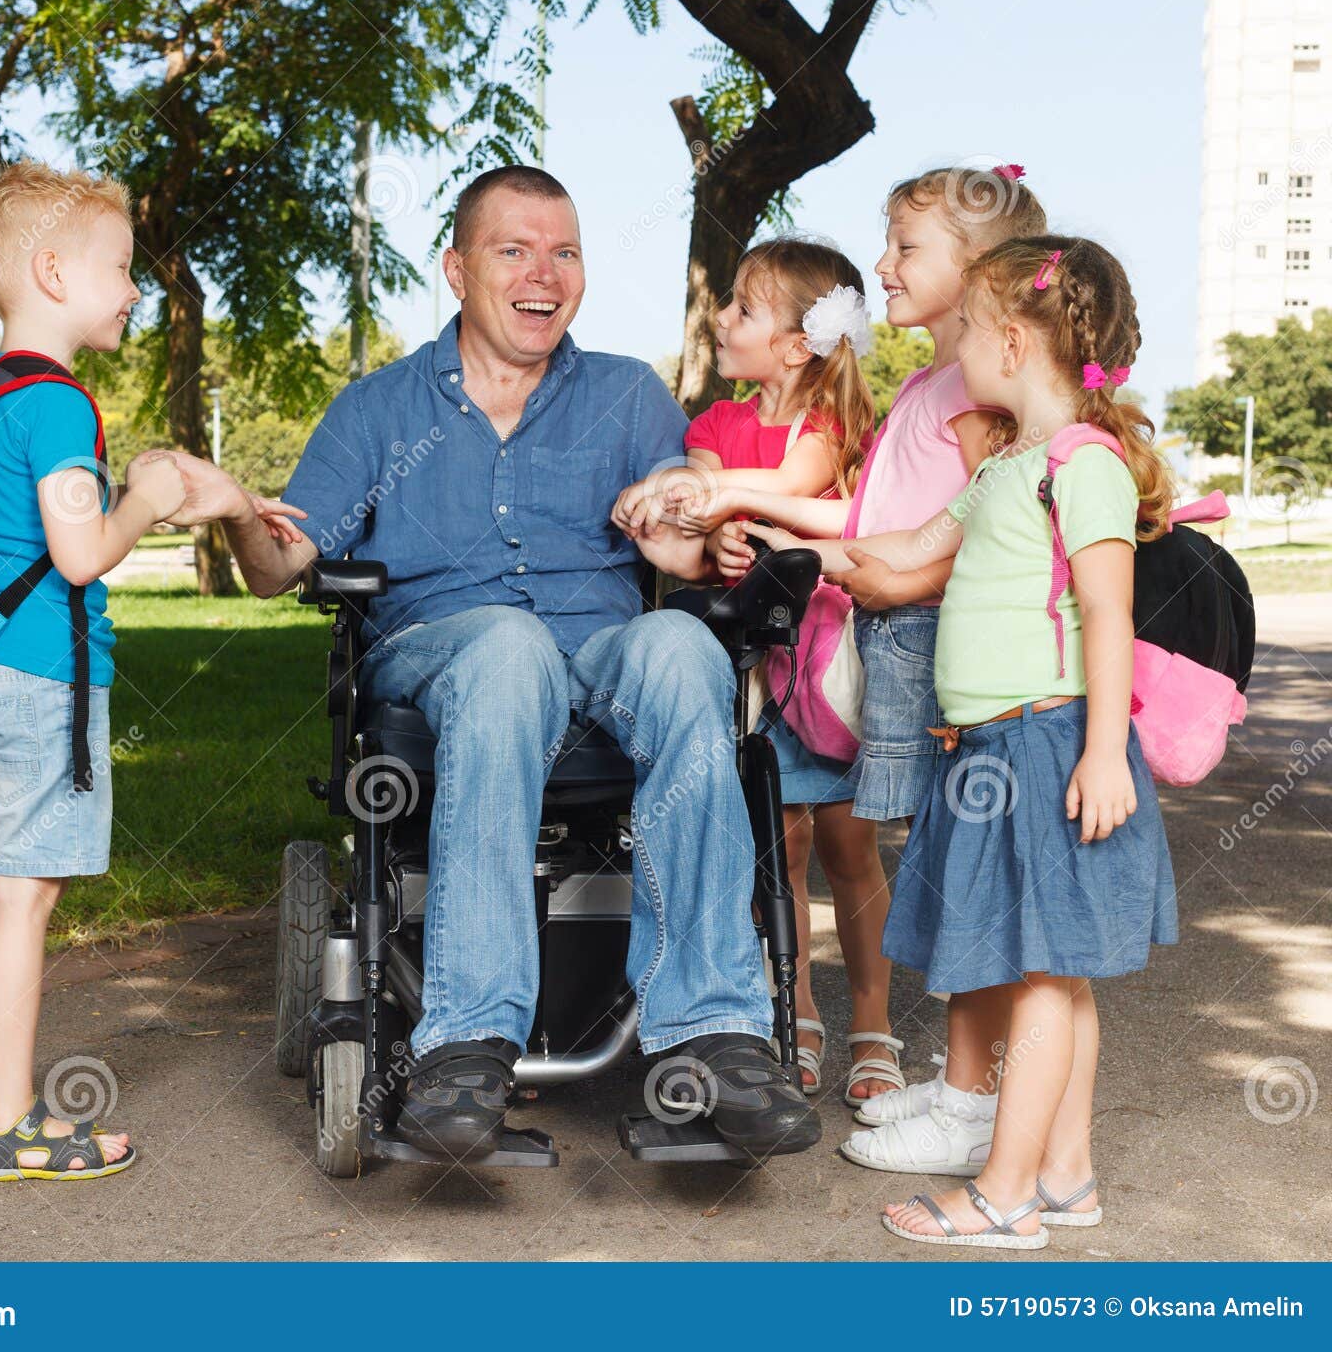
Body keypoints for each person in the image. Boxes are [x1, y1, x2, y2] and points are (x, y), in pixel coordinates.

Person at [180, 164, 815, 1162]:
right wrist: (234, 518)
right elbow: (280, 568)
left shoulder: (624, 394)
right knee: (508, 647)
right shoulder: (378, 410)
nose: (544, 273)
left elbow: (686, 555)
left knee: (684, 645)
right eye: (514, 249)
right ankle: (466, 1042)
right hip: (443, 659)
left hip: (602, 653)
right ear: (457, 268)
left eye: (565, 252)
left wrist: (687, 539)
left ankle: (721, 1035)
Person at [738, 234, 1177, 1248]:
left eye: (971, 332)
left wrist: (1105, 751)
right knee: (1053, 976)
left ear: (1016, 343)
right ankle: (1064, 1178)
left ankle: (1006, 1195)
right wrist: (781, 546)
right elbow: (901, 548)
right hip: (994, 749)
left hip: (1051, 746)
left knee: (1040, 979)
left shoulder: (1083, 464)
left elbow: (1109, 615)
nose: (958, 354)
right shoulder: (1003, 467)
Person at [0, 160, 303, 1180]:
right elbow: (81, 554)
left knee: (8, 890)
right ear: (54, 274)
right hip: (39, 687)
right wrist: (150, 496)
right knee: (27, 899)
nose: (133, 290)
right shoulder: (61, 405)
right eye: (121, 268)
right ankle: (6, 1122)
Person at [717, 165, 1049, 1159]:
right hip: (904, 649)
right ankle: (959, 1088)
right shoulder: (927, 385)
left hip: (952, 666)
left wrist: (897, 584)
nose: (879, 266)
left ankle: (971, 1101)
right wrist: (771, 527)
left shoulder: (978, 395)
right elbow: (879, 525)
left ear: (979, 266)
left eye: (906, 248)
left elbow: (994, 523)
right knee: (946, 866)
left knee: (967, 879)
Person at [611, 238, 899, 1108]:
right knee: (784, 844)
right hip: (755, 663)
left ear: (796, 343)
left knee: (851, 843)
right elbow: (706, 493)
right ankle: (797, 1010)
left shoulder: (831, 427)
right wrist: (689, 514)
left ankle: (874, 1022)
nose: (720, 319)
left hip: (831, 659)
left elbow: (788, 484)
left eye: (742, 308)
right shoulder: (714, 426)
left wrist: (726, 503)